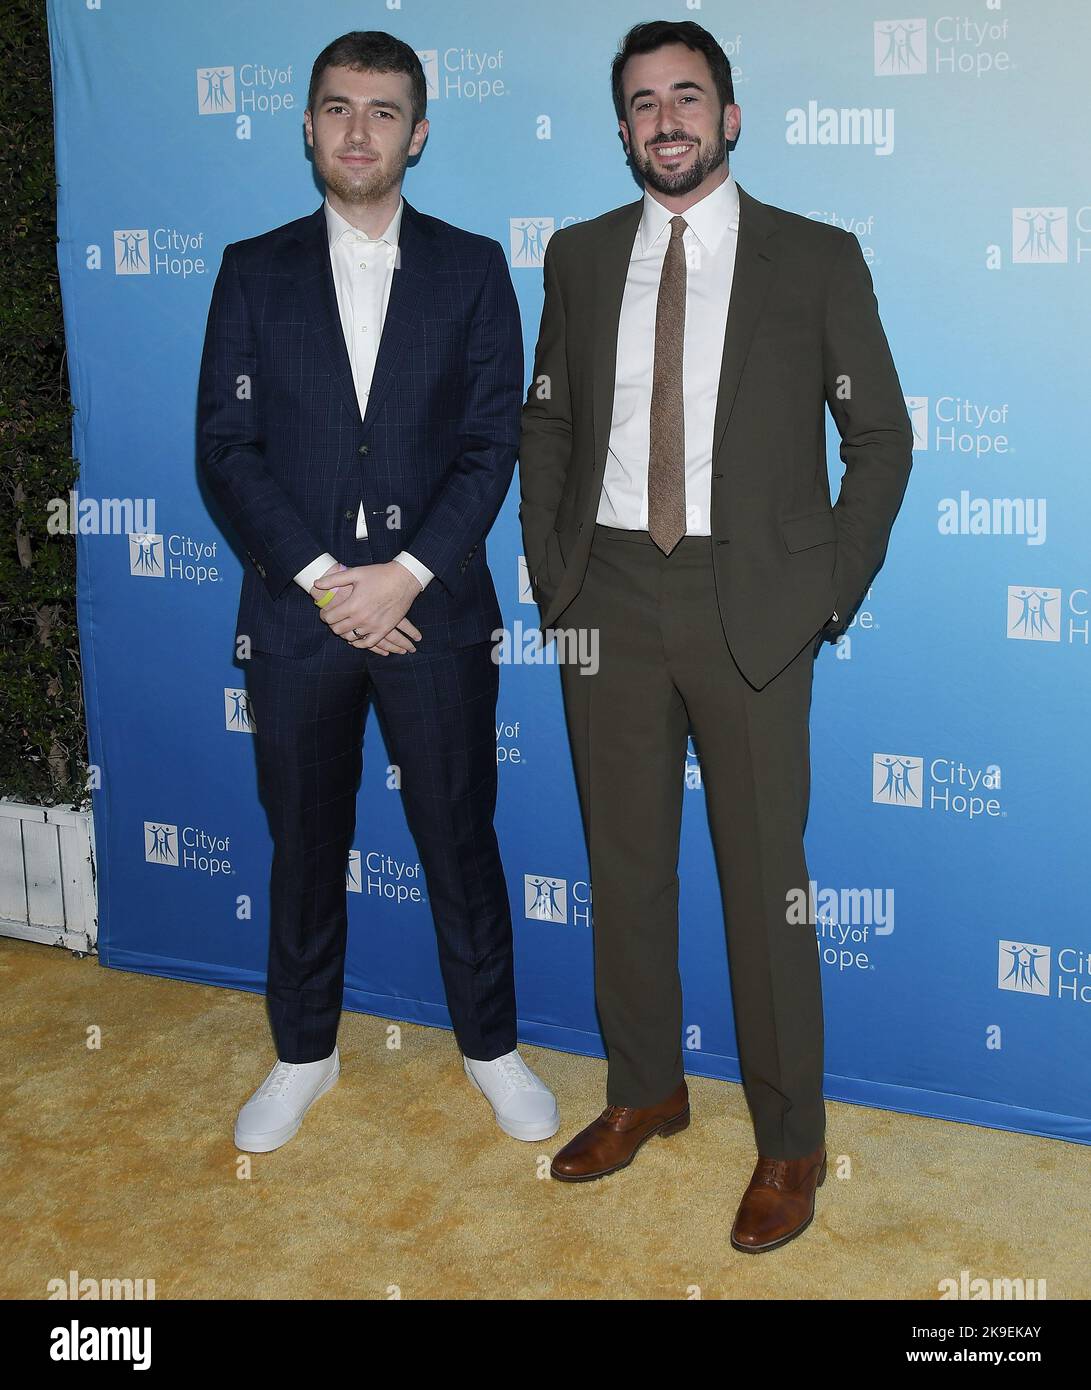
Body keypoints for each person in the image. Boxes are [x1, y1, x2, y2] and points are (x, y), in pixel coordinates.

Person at [519, 19, 912, 1251]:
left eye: (688, 97)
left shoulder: (813, 256)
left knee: (766, 889)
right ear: (622, 128)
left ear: (728, 118)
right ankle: (644, 1090)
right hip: (610, 597)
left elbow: (880, 441)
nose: (666, 119)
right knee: (622, 869)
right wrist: (554, 575)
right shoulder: (579, 259)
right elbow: (547, 427)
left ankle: (792, 1142)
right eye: (642, 102)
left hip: (753, 602)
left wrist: (822, 591)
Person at [197, 30, 557, 1154]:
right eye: (338, 109)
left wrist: (400, 574)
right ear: (307, 126)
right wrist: (323, 584)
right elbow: (228, 449)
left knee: (458, 833)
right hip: (298, 622)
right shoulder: (252, 270)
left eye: (383, 111)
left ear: (419, 132)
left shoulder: (471, 267)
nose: (359, 130)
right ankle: (303, 1052)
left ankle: (491, 1049)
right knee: (302, 839)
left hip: (434, 612)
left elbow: (490, 444)